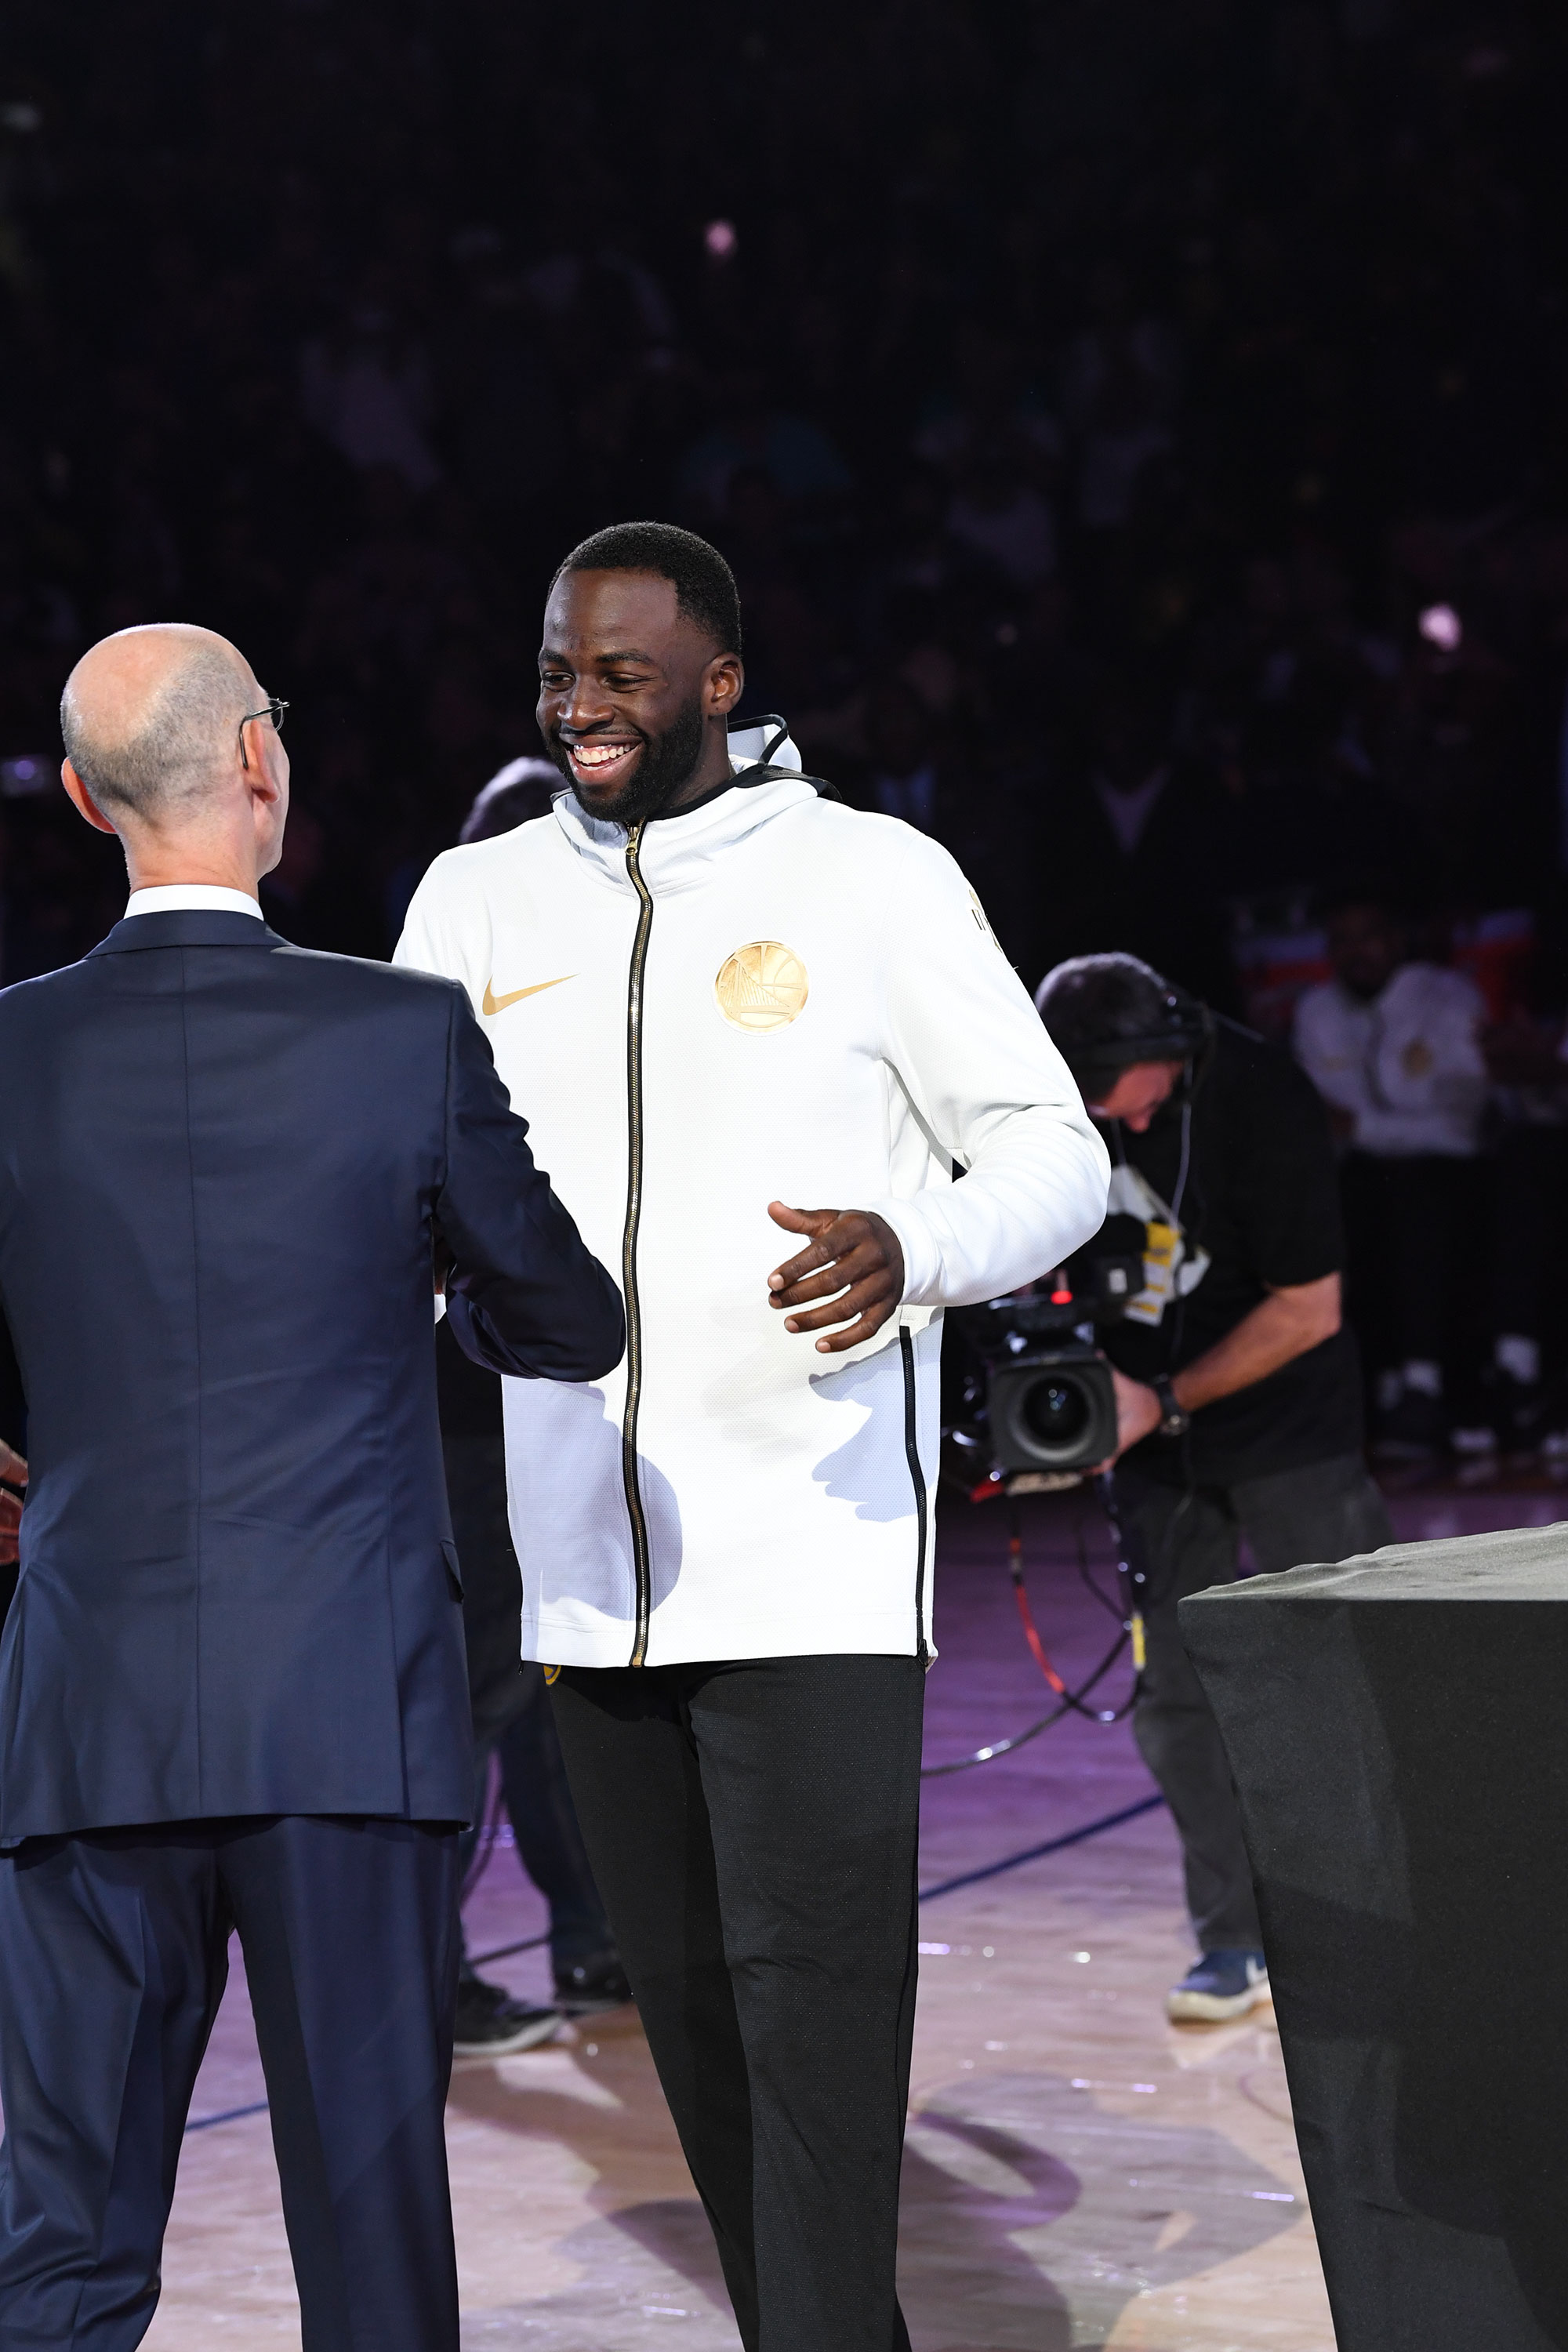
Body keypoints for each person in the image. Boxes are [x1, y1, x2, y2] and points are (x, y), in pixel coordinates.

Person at [395, 521, 1109, 2352]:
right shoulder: (475, 904)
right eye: (559, 669)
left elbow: (1053, 1150)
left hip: (809, 1554)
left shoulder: (869, 877)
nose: (580, 706)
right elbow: (387, 1191)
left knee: (815, 2002)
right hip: (584, 1574)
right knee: (692, 2022)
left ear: (717, 680)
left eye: (619, 672)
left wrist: (917, 1253)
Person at [0, 624, 623, 2352]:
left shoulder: (11, 1054)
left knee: (59, 2240)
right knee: (369, 2238)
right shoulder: (402, 1036)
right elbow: (570, 1321)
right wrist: (417, 1280)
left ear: (80, 799)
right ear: (261, 769)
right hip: (347, 1709)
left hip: (87, 1714)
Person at [1036, 951, 1392, 2025]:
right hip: (1154, 1452)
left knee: (1342, 1685)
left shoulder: (1263, 1094)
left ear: (1169, 1052)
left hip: (1289, 1435)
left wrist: (1165, 1399)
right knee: (1178, 1700)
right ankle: (1233, 1941)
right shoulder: (1074, 1107)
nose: (1113, 1120)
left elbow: (1308, 1309)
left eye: (1122, 1095)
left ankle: (1377, 1931)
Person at [1292, 894, 1488, 1456]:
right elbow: (1320, 1129)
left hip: (1451, 1177)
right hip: (1357, 1181)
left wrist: (1361, 1128)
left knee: (1413, 1193)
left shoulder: (1446, 999)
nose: (1358, 953)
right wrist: (1358, 1135)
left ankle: (1423, 1384)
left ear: (1398, 940)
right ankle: (1363, 1391)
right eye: (1342, 940)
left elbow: (1461, 1132)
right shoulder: (1317, 1012)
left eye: (1370, 935)